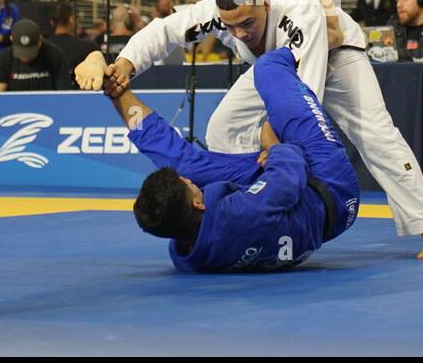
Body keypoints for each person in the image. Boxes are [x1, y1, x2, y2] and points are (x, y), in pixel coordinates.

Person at [77, 0, 423, 259]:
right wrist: (124, 64)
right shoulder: (216, 12)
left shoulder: (299, 11)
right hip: (272, 68)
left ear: (265, 5)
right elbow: (165, 31)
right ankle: (248, 200)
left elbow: (304, 102)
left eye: (247, 24)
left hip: (334, 56)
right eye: (230, 26)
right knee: (223, 125)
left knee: (375, 134)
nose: (239, 33)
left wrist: (273, 140)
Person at [97, 47, 360, 272]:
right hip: (330, 188)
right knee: (268, 67)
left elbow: (187, 193)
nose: (189, 180)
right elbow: (289, 177)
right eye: (186, 184)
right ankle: (318, 41)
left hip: (286, 208)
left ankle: (118, 93)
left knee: (185, 163)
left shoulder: (188, 255)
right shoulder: (240, 214)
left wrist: (116, 91)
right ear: (199, 203)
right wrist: (272, 144)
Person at [0, 19, 74, 92]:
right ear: (12, 40)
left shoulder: (56, 56)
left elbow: (64, 93)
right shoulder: (5, 57)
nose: (25, 58)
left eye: (30, 52)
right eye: (21, 53)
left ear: (40, 41)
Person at [46, 3, 97, 85]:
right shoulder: (89, 48)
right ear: (71, 20)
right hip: (81, 95)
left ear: (51, 22)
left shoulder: (43, 48)